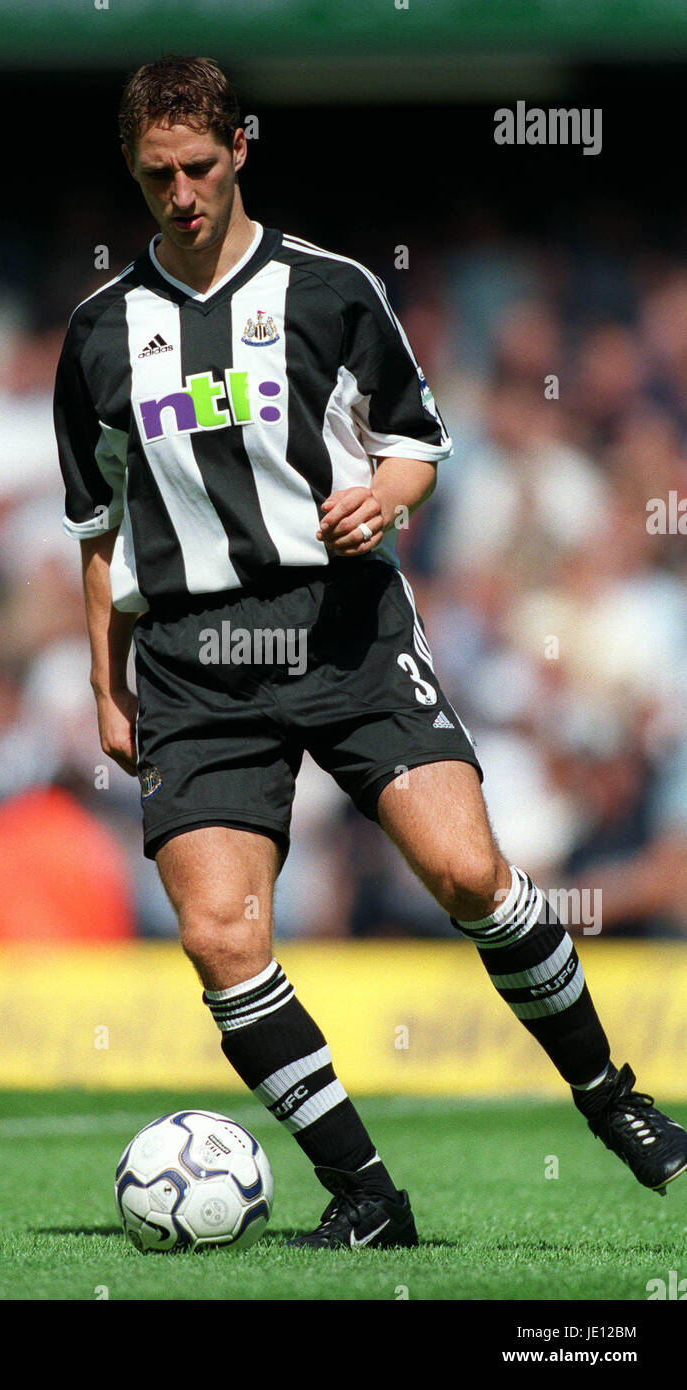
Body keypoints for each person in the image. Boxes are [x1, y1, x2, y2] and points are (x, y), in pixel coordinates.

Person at [53, 55, 687, 1248]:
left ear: (241, 146)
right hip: (192, 662)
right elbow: (99, 529)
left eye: (197, 166)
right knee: (218, 935)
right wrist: (105, 679)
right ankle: (364, 1193)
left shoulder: (329, 290)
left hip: (341, 627)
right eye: (155, 178)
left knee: (465, 875)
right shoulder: (97, 336)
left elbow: (417, 444)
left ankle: (611, 1095)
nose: (180, 194)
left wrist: (384, 502)